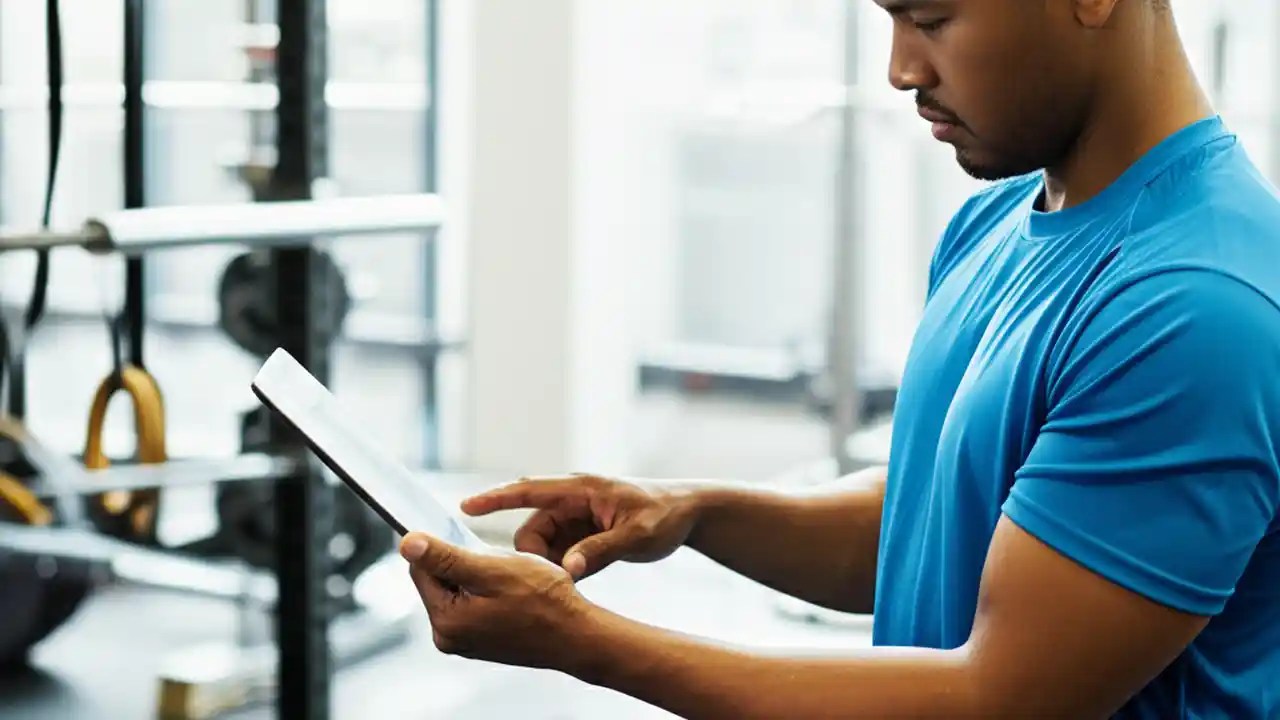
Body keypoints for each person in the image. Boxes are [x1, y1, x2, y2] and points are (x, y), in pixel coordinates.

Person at [398, 1, 1280, 717]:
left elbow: (998, 701)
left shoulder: (1196, 305)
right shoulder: (998, 220)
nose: (901, 69)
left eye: (932, 21)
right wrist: (698, 512)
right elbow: (937, 513)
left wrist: (579, 640)